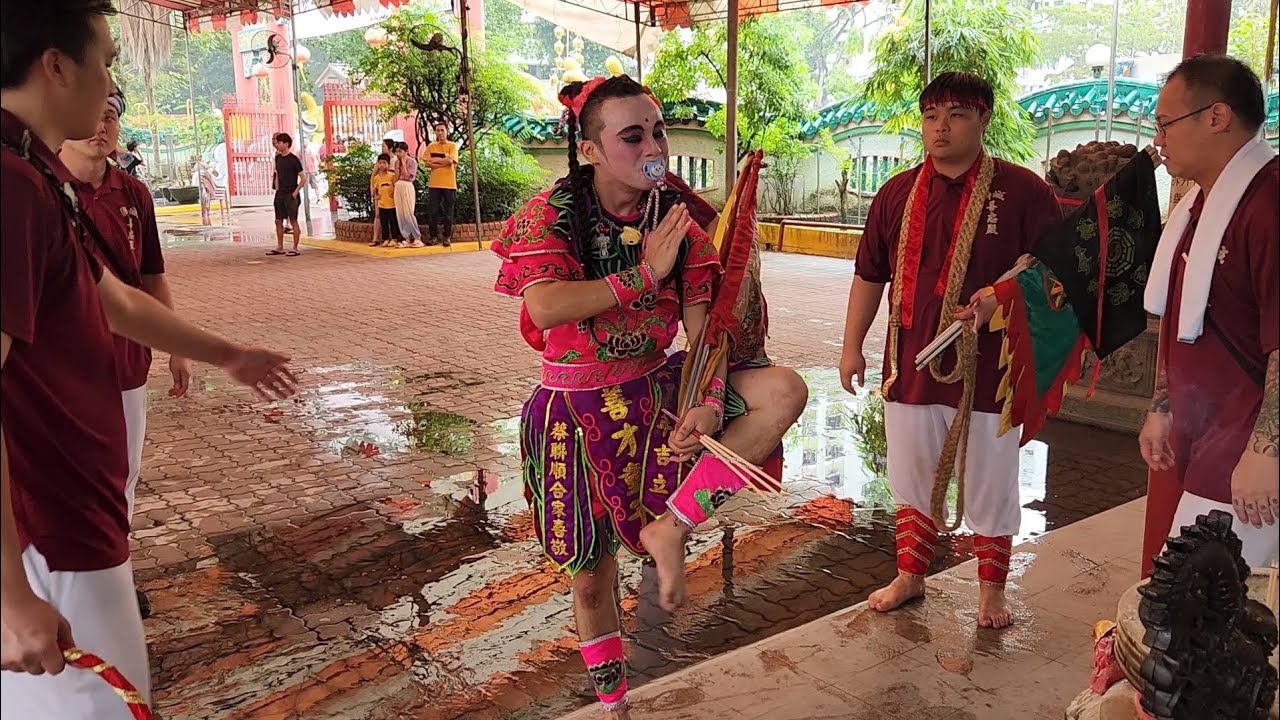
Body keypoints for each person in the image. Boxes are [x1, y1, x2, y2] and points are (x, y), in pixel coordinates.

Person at [1, 5, 298, 716]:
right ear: (55, 65)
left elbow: (112, 299)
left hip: (71, 516)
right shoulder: (9, 186)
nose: (109, 87)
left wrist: (228, 354)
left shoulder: (37, 177)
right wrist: (10, 593)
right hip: (50, 530)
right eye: (104, 61)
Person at [491, 75, 806, 717]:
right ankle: (615, 704)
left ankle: (673, 524)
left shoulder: (677, 222)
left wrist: (711, 401)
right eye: (632, 136)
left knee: (782, 391)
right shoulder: (548, 214)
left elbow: (702, 335)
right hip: (571, 410)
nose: (652, 146)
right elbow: (547, 305)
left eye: (657, 131)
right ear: (590, 150)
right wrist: (645, 275)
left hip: (653, 392)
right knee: (591, 577)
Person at [839, 71, 1063, 629]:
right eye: (931, 116)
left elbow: (1056, 275)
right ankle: (911, 576)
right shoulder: (896, 192)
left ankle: (991, 591)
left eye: (957, 115)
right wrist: (851, 347)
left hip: (992, 370)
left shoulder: (1025, 190)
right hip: (911, 360)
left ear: (984, 118)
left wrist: (1002, 298)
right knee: (912, 475)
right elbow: (870, 275)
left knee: (990, 476)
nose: (941, 128)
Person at [1140, 54, 1278, 568]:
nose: (1158, 140)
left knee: (1195, 614)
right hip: (1209, 435)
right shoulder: (1201, 205)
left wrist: (1267, 453)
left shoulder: (1268, 202)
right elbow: (1184, 320)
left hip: (1248, 452)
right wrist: (1162, 407)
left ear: (1216, 118)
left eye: (1165, 123)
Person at [58, 90, 192, 620]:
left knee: (124, 474)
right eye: (91, 112)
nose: (100, 125)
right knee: (64, 475)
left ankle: (115, 575)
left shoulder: (132, 192)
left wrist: (178, 348)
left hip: (126, 363)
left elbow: (151, 275)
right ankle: (62, 584)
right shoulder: (38, 188)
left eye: (110, 116)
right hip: (61, 369)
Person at [423, 121, 458, 247]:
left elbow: (451, 161)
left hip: (449, 184)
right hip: (434, 184)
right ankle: (433, 236)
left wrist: (435, 162)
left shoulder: (452, 146)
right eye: (437, 130)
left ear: (447, 131)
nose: (440, 133)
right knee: (433, 211)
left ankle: (447, 236)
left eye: (442, 130)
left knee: (448, 212)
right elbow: (427, 163)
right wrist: (444, 161)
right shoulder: (431, 146)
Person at [269, 132, 303, 257]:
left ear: (286, 144)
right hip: (280, 193)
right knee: (278, 220)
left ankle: (295, 247)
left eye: (279, 142)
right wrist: (277, 189)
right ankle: (280, 246)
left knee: (293, 221)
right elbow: (277, 174)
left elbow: (303, 178)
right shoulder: (278, 158)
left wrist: (295, 193)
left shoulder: (294, 159)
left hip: (291, 193)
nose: (277, 145)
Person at [393, 141, 424, 248]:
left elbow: (408, 176)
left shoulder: (412, 162)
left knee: (408, 212)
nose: (398, 154)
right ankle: (406, 236)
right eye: (396, 152)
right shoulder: (396, 163)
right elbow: (396, 177)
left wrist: (404, 163)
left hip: (407, 186)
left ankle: (417, 236)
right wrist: (398, 166)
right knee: (400, 213)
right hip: (398, 186)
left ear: (406, 152)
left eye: (400, 151)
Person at [370, 153, 401, 247]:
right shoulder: (376, 178)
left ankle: (395, 238)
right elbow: (376, 190)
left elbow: (396, 187)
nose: (382, 165)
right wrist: (376, 196)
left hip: (392, 204)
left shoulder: (392, 176)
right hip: (382, 204)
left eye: (384, 163)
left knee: (393, 222)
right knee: (384, 222)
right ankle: (385, 238)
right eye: (380, 163)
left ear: (388, 164)